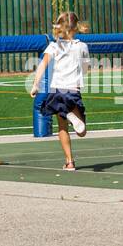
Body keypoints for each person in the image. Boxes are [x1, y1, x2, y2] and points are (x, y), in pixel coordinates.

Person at [30, 11, 92, 171]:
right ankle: (73, 117)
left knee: (62, 127)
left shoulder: (54, 46)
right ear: (76, 27)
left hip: (56, 91)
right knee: (82, 132)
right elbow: (85, 69)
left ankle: (70, 162)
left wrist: (35, 84)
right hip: (72, 91)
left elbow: (42, 65)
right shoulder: (82, 46)